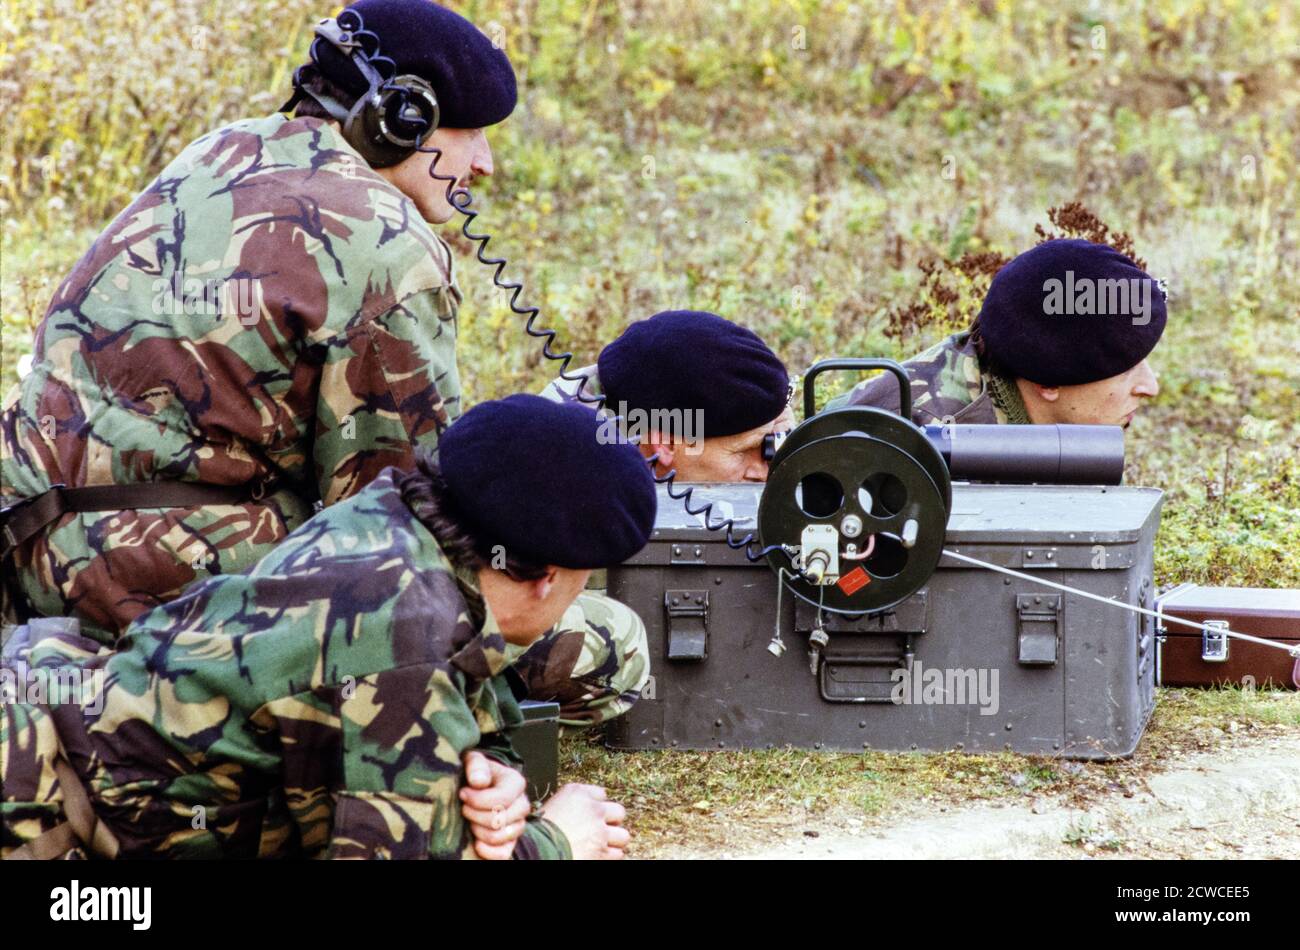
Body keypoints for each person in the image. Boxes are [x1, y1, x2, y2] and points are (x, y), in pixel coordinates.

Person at [0, 0, 515, 643]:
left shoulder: (220, 149)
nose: (485, 164)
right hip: (171, 592)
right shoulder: (385, 243)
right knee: (598, 642)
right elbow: (401, 510)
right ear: (404, 119)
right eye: (474, 133)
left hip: (26, 546)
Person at [0, 396, 655, 860]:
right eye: (583, 581)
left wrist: (492, 770)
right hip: (43, 812)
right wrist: (560, 840)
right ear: (546, 578)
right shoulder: (403, 640)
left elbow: (453, 684)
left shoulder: (395, 513)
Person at [514, 310, 792, 725]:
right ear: (663, 445)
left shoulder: (654, 397)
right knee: (615, 646)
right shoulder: (567, 472)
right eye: (750, 453)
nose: (766, 470)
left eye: (778, 445)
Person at [829, 239, 1164, 427]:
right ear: (1047, 384)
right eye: (1126, 370)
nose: (1151, 387)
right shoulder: (932, 437)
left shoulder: (1068, 414)